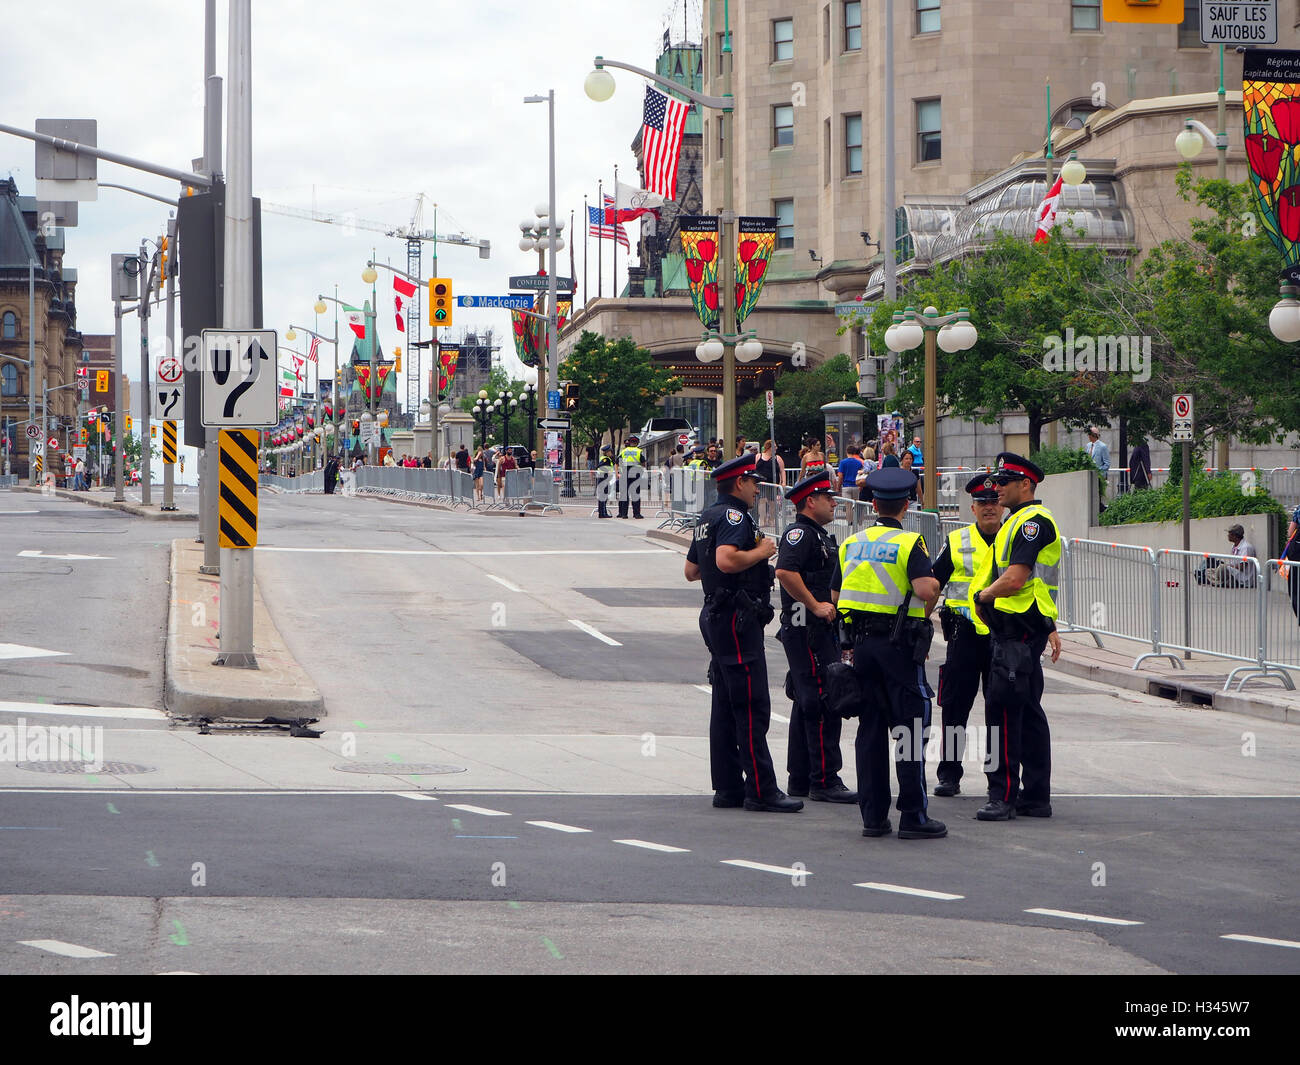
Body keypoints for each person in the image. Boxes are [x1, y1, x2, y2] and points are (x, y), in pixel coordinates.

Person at [684, 454, 802, 813]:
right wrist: (762, 552)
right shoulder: (735, 517)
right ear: (739, 483)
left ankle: (728, 788)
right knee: (751, 705)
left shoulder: (707, 517)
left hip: (717, 614)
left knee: (724, 705)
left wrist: (722, 581)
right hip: (737, 619)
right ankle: (762, 790)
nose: (755, 488)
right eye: (752, 482)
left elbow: (692, 570)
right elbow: (725, 560)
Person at [838, 467, 946, 839]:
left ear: (873, 503)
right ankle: (914, 816)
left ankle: (873, 817)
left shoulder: (852, 543)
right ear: (907, 504)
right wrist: (932, 581)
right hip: (899, 648)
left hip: (863, 648)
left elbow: (836, 597)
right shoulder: (909, 543)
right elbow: (926, 588)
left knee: (870, 731)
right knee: (910, 730)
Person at [969, 453, 1064, 821]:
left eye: (1005, 481)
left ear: (1026, 484)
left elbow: (1016, 579)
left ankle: (1002, 795)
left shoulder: (1031, 523)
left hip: (1016, 630)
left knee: (1003, 713)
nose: (998, 488)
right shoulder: (1020, 521)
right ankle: (1036, 797)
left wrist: (983, 597)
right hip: (1022, 629)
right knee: (1027, 711)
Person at [776, 470, 857, 803]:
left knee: (806, 700)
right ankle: (824, 779)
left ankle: (801, 777)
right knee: (823, 698)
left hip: (819, 629)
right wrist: (816, 605)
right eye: (828, 497)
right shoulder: (800, 534)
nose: (833, 502)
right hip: (807, 629)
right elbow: (784, 571)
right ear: (811, 501)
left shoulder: (820, 536)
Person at [928, 474, 1004, 797]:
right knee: (955, 708)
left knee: (998, 710)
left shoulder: (1013, 539)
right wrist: (920, 625)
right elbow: (933, 584)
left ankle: (998, 778)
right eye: (983, 503)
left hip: (1002, 636)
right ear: (972, 508)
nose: (989, 508)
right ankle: (949, 774)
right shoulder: (957, 541)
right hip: (964, 635)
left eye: (994, 502)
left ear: (1002, 505)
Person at [618, 434, 645, 519]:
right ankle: (636, 514)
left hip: (625, 473)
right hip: (635, 473)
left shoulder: (624, 451)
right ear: (637, 443)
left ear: (629, 442)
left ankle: (624, 514)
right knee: (635, 494)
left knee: (624, 494)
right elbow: (643, 462)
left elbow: (618, 461)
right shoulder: (639, 451)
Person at [595, 443, 615, 518]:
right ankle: (602, 513)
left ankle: (603, 513)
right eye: (610, 452)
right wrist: (608, 471)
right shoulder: (605, 459)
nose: (611, 453)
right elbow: (599, 466)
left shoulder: (605, 458)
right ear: (607, 452)